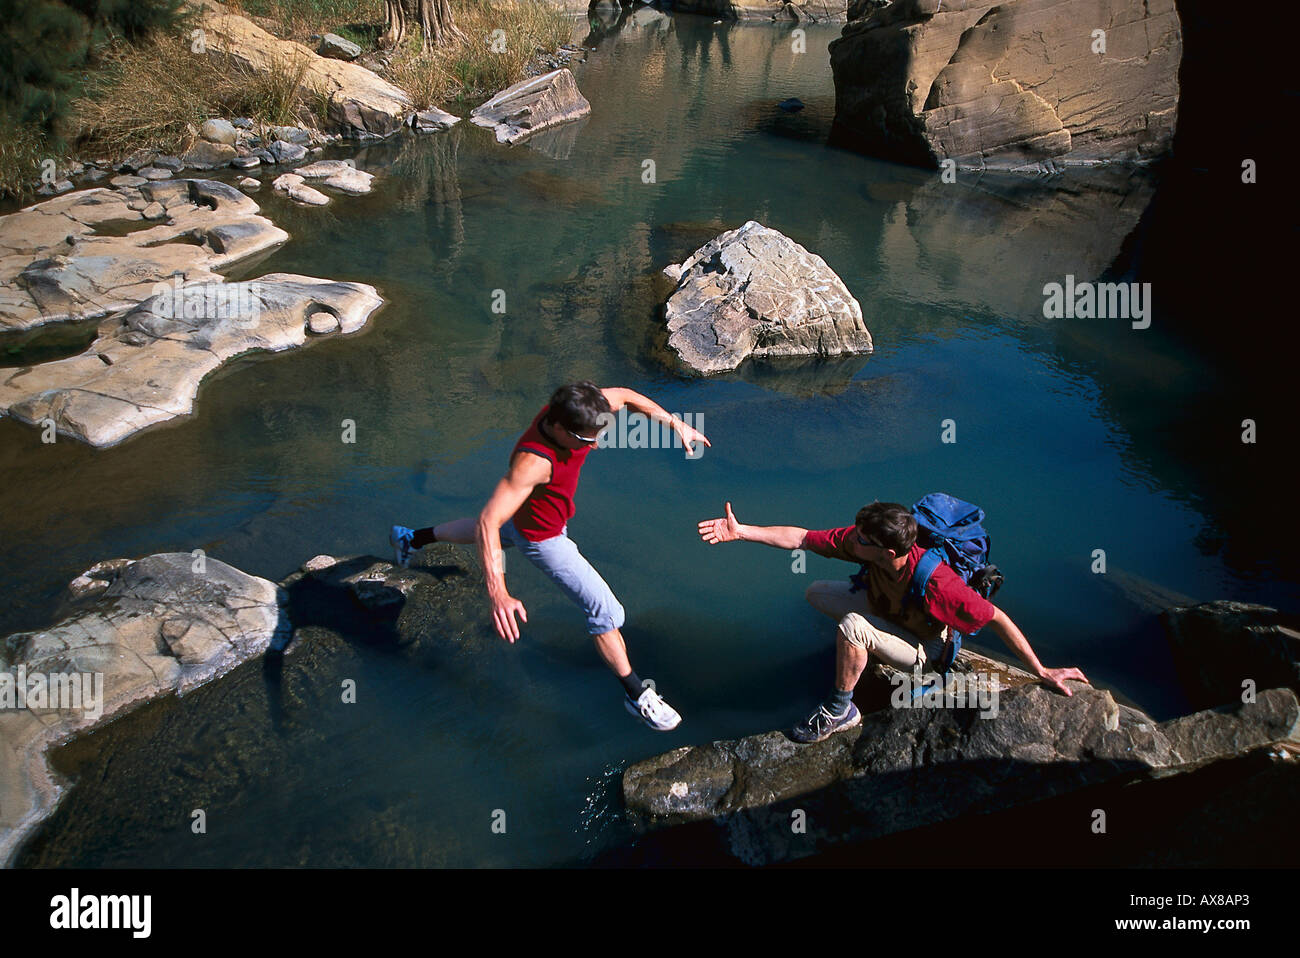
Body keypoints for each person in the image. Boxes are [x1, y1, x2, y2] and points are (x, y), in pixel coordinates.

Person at [391, 382, 710, 731]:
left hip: (527, 514)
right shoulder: (533, 464)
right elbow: (487, 519)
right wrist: (498, 591)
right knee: (604, 610)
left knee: (501, 529)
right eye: (589, 439)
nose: (597, 443)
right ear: (560, 428)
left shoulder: (577, 408)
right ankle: (636, 696)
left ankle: (410, 539)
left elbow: (628, 396)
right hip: (543, 537)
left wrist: (674, 423)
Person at [697, 499, 1089, 743]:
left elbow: (998, 618)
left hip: (926, 649)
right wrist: (742, 531)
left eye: (861, 540)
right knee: (815, 591)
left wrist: (1041, 670)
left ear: (886, 551)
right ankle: (863, 650)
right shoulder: (866, 543)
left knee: (852, 624)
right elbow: (801, 538)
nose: (853, 541)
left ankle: (840, 710)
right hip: (888, 609)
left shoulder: (940, 584)